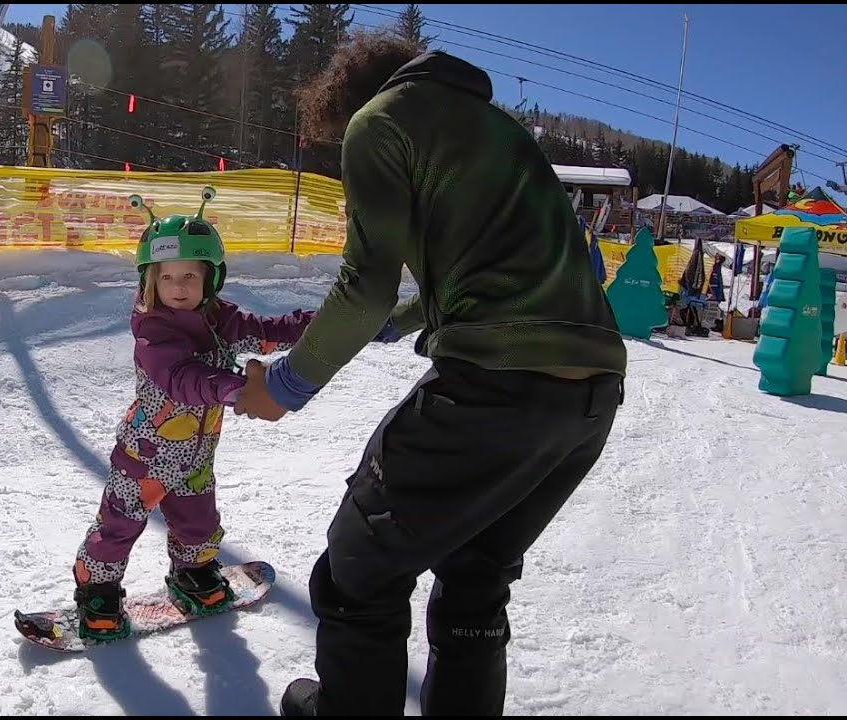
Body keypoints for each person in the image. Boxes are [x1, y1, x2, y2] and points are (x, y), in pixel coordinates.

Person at [230, 35, 629, 716]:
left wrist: (284, 386)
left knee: (358, 568)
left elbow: (364, 285)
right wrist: (409, 320)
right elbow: (500, 261)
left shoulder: (379, 121)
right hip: (590, 394)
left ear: (347, 95)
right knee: (476, 577)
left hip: (495, 384)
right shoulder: (500, 129)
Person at [69, 187, 318, 642]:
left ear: (211, 279)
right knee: (119, 524)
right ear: (150, 280)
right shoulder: (153, 330)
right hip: (144, 455)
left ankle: (193, 575)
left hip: (196, 457)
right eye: (167, 278)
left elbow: (264, 331)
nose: (179, 287)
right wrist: (239, 390)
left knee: (199, 522)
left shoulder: (218, 316)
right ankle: (98, 593)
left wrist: (323, 325)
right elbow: (185, 377)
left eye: (190, 276)